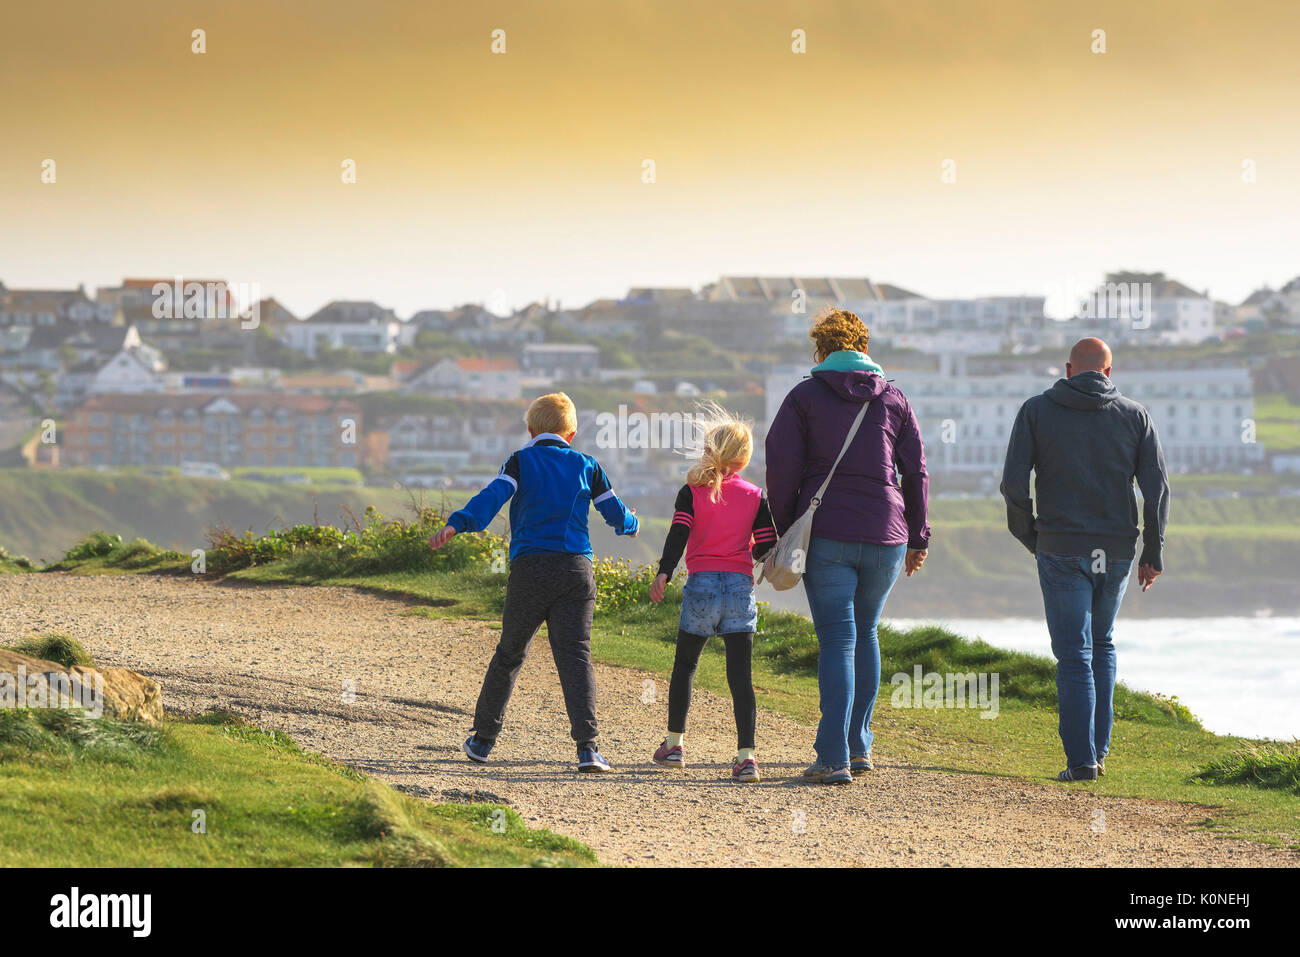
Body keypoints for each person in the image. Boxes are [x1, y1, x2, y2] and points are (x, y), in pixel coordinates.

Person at [428, 392, 639, 773]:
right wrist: (632, 524)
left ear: (530, 430)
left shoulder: (520, 461)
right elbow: (614, 512)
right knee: (575, 657)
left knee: (510, 653)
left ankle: (482, 741)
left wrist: (457, 523)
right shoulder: (587, 465)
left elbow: (493, 496)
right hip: (575, 570)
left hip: (530, 569)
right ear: (571, 434)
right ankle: (588, 749)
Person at [766, 308, 930, 785]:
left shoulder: (804, 396)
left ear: (821, 349)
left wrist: (784, 529)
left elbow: (781, 468)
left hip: (827, 533)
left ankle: (832, 757)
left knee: (839, 638)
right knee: (866, 633)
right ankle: (859, 748)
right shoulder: (894, 398)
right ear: (864, 346)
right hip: (887, 535)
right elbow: (916, 472)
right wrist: (918, 535)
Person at [1001, 337, 1169, 782]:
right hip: (1114, 551)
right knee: (1102, 643)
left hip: (1060, 546)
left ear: (1069, 368)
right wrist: (1152, 552)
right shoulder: (1135, 415)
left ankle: (1081, 762)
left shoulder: (1036, 410)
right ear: (1108, 373)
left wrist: (1032, 536)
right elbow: (1156, 491)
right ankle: (1097, 751)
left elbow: (1013, 484)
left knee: (1074, 652)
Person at [647, 407, 778, 783]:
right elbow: (764, 546)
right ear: (743, 459)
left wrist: (664, 572)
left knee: (686, 666)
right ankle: (746, 758)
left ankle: (674, 745)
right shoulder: (755, 496)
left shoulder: (691, 491)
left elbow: (678, 534)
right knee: (740, 676)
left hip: (702, 584)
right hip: (739, 587)